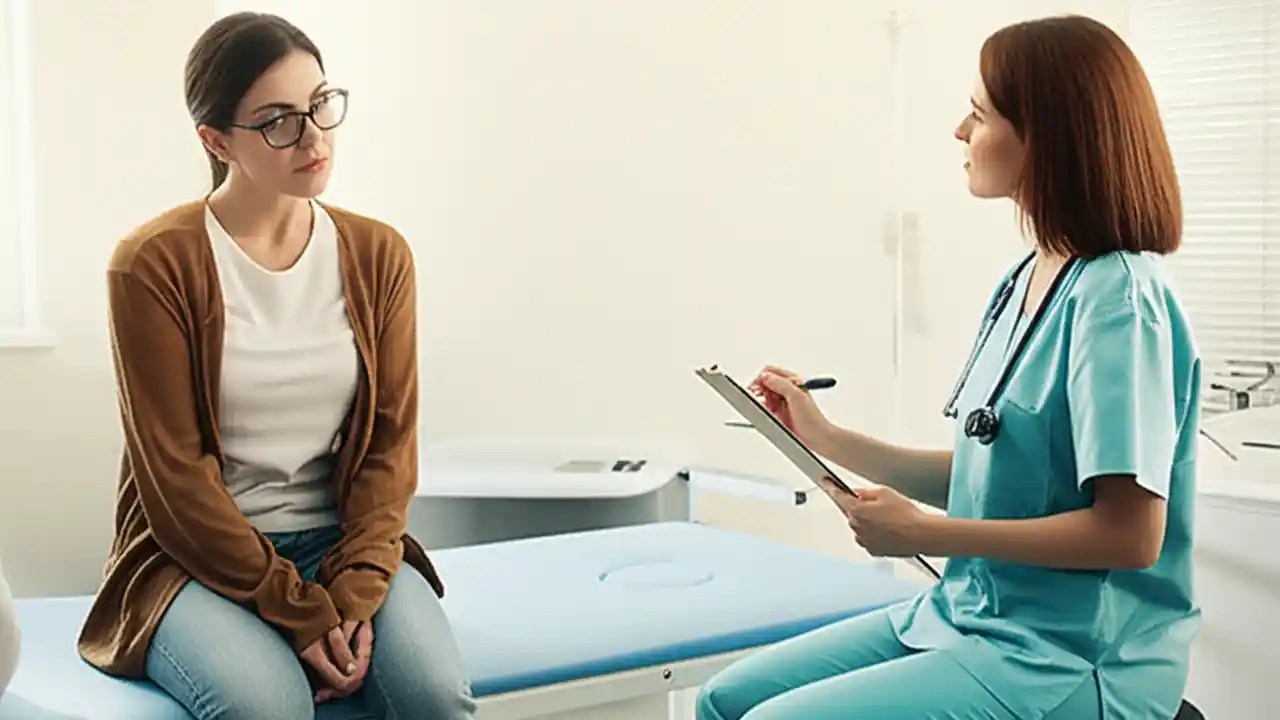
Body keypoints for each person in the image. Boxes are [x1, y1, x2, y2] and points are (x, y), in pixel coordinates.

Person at [697, 14, 1199, 720]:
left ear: (1046, 138)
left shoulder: (1120, 301)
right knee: (724, 701)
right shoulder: (1027, 278)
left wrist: (927, 534)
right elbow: (993, 476)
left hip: (1073, 657)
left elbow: (1129, 535)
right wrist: (825, 438)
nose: (960, 133)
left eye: (978, 114)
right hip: (966, 616)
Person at [76, 12, 476, 719]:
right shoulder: (153, 264)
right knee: (266, 706)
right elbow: (175, 478)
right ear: (215, 139)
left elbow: (391, 445)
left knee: (435, 697)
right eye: (278, 121)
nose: (315, 137)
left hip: (340, 543)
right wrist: (297, 610)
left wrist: (351, 593)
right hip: (189, 558)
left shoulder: (379, 255)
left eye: (321, 104)